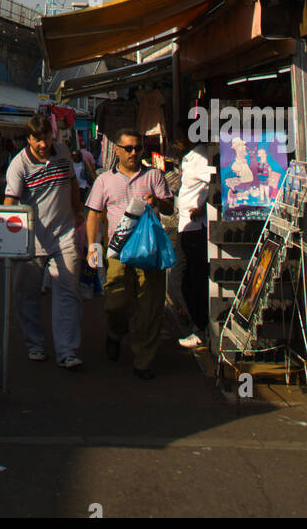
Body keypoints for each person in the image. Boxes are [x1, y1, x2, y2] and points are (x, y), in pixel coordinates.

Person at [85, 128, 174, 380]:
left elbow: (169, 207)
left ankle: (143, 362)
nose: (134, 153)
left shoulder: (154, 176)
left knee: (150, 307)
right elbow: (93, 213)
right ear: (118, 151)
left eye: (138, 148)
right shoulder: (104, 180)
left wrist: (157, 202)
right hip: (118, 251)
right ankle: (115, 332)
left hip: (149, 250)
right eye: (128, 148)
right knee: (116, 302)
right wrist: (93, 246)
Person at [4, 113, 86, 370]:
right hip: (31, 239)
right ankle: (35, 344)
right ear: (28, 139)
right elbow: (10, 202)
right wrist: (9, 236)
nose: (43, 144)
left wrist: (77, 210)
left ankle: (67, 351)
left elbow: (72, 183)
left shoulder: (62, 151)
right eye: (38, 140)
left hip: (64, 235)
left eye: (47, 138)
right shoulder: (19, 165)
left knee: (68, 292)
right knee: (26, 294)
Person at [177, 140, 212, 348]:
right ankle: (199, 326)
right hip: (188, 226)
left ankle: (201, 328)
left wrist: (204, 207)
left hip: (196, 228)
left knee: (192, 280)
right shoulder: (192, 156)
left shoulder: (200, 156)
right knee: (188, 278)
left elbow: (217, 181)